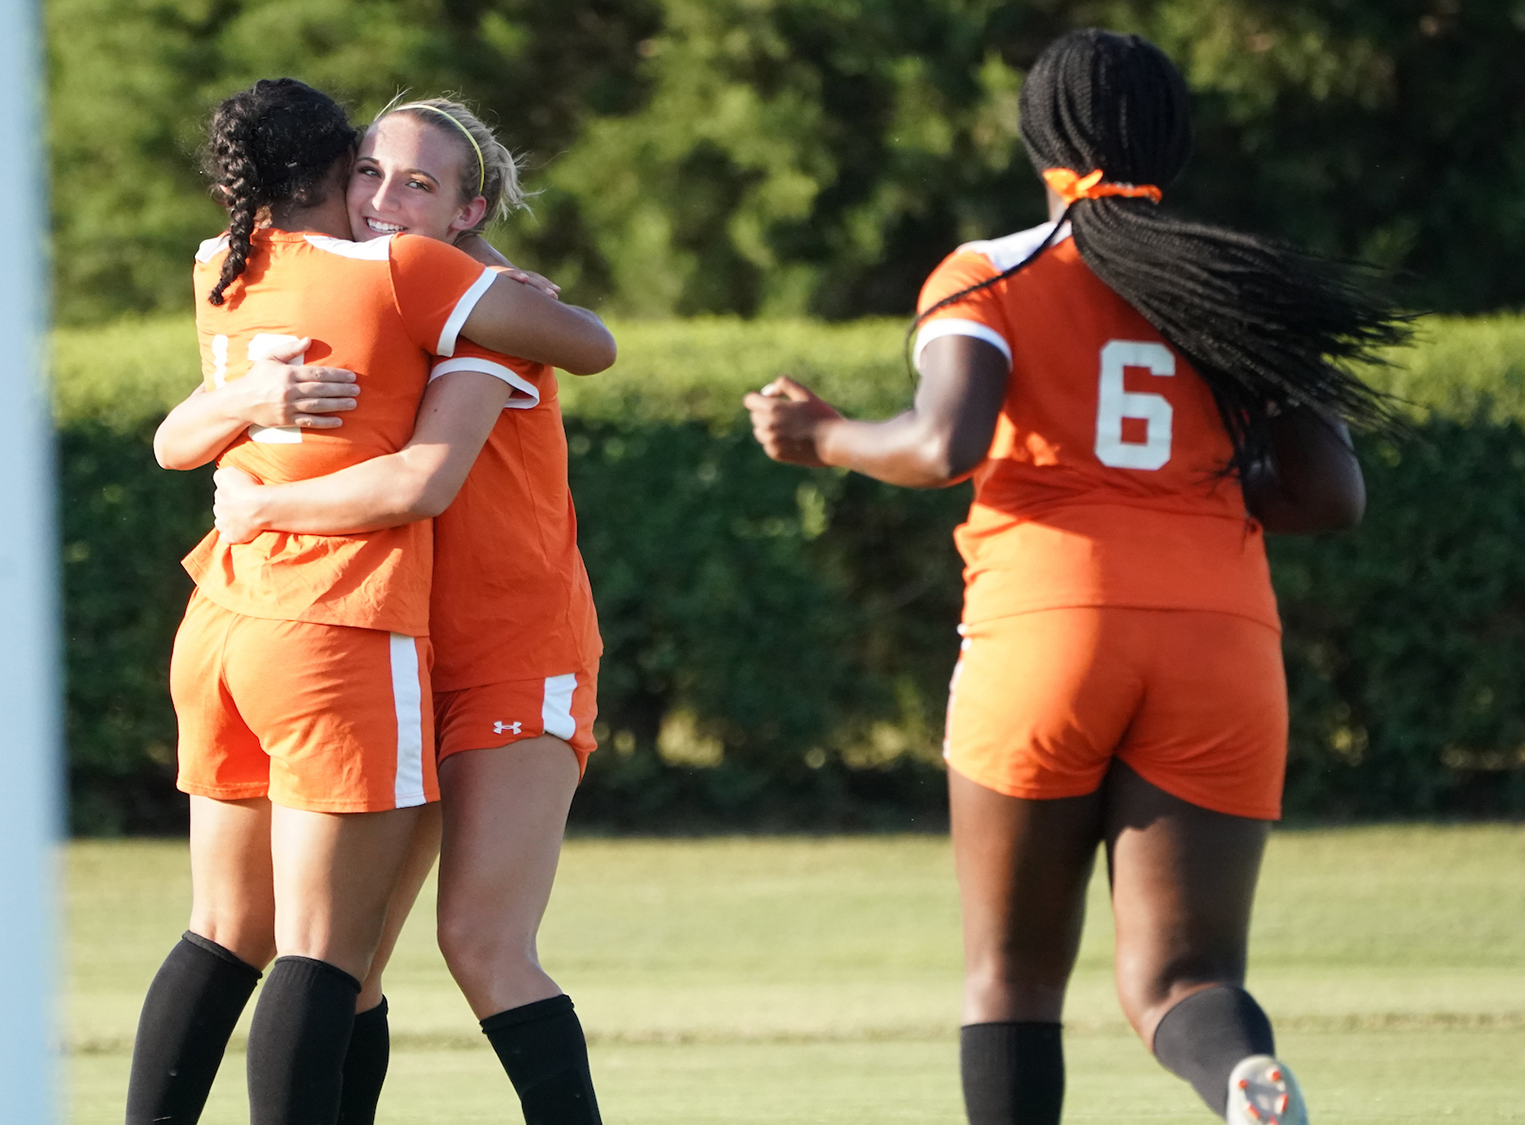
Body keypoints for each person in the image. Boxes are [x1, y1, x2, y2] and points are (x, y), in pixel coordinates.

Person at [743, 30, 1404, 1125]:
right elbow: (1329, 497)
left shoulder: (989, 269)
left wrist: (822, 436)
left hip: (1043, 626)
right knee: (1184, 980)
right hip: (1218, 636)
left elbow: (941, 446)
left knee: (1011, 980)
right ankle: (1243, 1080)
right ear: (1174, 139)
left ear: (1038, 135)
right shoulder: (1239, 282)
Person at [125, 78, 613, 1125]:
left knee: (478, 943)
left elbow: (413, 484)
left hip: (511, 652)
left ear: (467, 211)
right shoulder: (383, 293)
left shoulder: (473, 310)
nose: (386, 197)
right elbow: (176, 436)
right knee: (351, 959)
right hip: (391, 648)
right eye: (368, 172)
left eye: (419, 183)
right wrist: (249, 402)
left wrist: (260, 511)